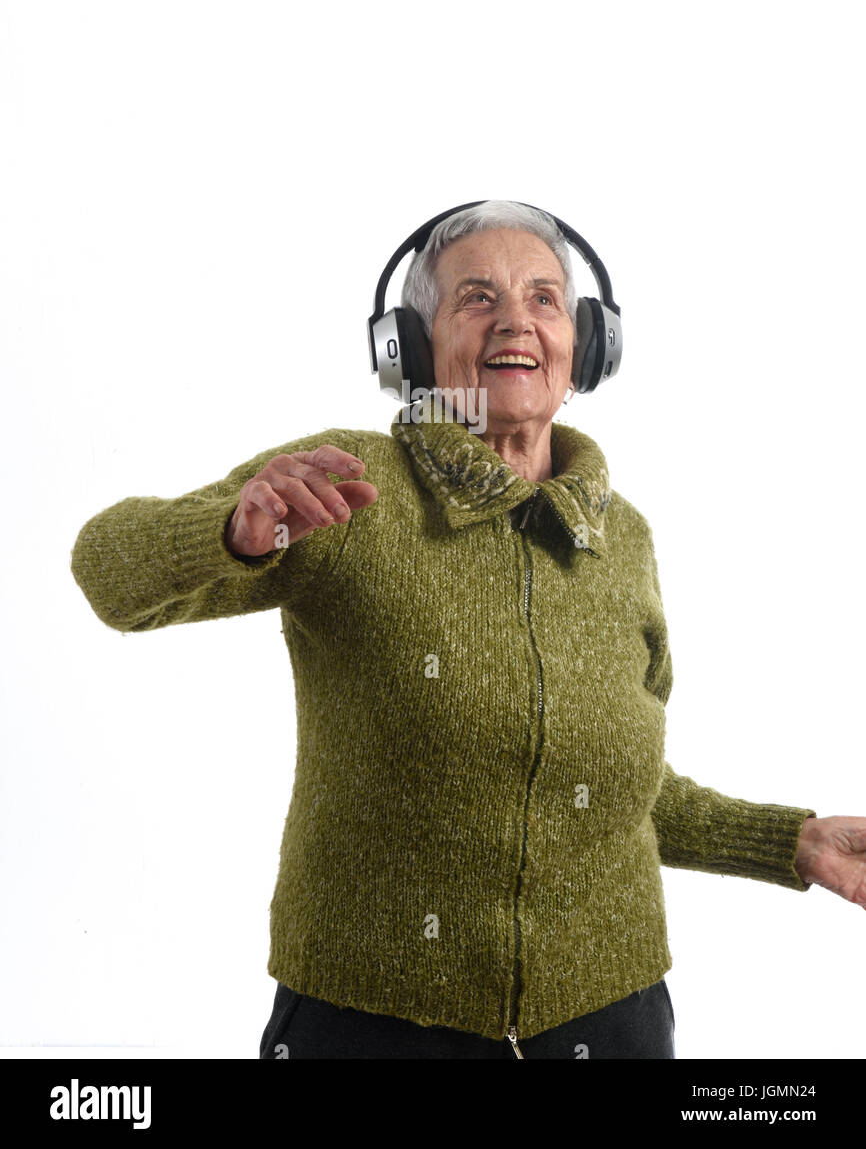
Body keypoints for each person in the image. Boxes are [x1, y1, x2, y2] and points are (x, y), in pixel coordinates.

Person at [70, 200, 866, 1060]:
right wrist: (231, 532)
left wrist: (790, 840)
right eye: (477, 298)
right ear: (411, 349)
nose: (516, 320)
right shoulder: (346, 487)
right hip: (374, 1025)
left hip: (616, 1022)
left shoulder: (623, 538)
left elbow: (608, 786)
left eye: (546, 299)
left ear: (587, 346)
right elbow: (108, 571)